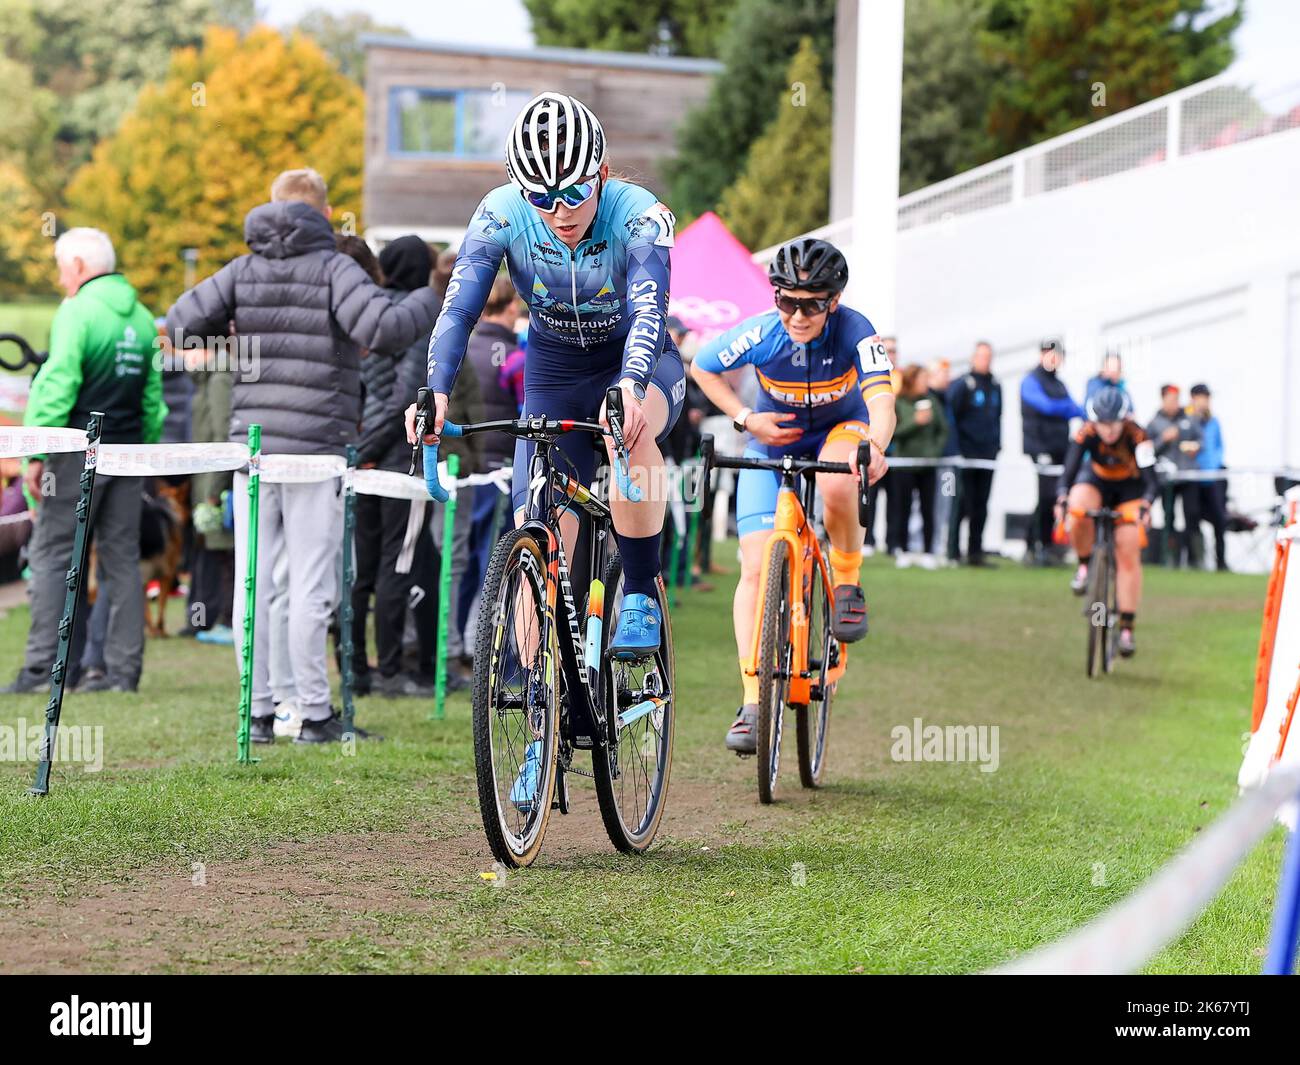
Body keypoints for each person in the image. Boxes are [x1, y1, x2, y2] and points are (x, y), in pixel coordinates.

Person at [410, 92, 684, 670]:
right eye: (542, 198)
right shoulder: (500, 212)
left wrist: (630, 384)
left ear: (602, 175)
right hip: (555, 370)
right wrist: (434, 391)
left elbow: (648, 309)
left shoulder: (640, 215)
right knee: (536, 531)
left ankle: (637, 590)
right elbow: (459, 310)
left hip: (637, 360)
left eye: (576, 192)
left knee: (632, 437)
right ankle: (541, 697)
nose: (560, 212)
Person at [167, 167, 439, 743]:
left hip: (254, 451)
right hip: (315, 451)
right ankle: (314, 713)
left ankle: (259, 713)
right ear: (323, 212)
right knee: (312, 584)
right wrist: (436, 296)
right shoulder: (334, 268)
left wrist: (237, 336)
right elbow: (385, 328)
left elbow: (180, 324)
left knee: (255, 583)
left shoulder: (242, 269)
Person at [690, 237, 894, 753]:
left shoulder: (856, 331)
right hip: (771, 439)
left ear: (834, 302)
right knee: (756, 570)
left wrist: (875, 445)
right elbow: (704, 367)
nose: (798, 315)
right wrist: (745, 417)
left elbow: (882, 401)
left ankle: (846, 579)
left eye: (812, 304)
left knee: (836, 480)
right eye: (787, 301)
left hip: (840, 430)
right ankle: (753, 699)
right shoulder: (761, 333)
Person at [4, 227, 165, 695]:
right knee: (122, 561)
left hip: (77, 454)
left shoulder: (77, 311)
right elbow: (153, 400)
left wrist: (36, 450)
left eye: (60, 268)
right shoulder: (140, 316)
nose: (59, 280)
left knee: (54, 554)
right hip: (128, 455)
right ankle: (120, 675)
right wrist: (144, 454)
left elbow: (56, 385)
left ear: (77, 266)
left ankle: (43, 672)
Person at [1056, 385, 1157, 657]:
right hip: (1097, 481)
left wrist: (1146, 506)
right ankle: (1084, 565)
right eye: (1102, 423)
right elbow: (1068, 472)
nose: (1109, 430)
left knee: (1128, 548)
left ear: (1124, 419)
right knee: (1078, 506)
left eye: (1113, 423)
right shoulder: (1086, 432)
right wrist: (1062, 499)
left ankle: (1126, 628)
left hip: (1130, 488)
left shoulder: (1138, 436)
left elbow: (1151, 481)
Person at [460, 273, 524, 657]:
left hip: (467, 468)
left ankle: (458, 644)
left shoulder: (463, 349)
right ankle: (495, 652)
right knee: (498, 562)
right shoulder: (518, 356)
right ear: (512, 307)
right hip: (502, 466)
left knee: (465, 560)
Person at [1020, 338, 1084, 565]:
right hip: (1041, 447)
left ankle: (1048, 546)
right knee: (1046, 496)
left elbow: (1078, 409)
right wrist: (1067, 408)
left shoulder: (1059, 384)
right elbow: (1045, 405)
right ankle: (1033, 545)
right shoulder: (1031, 380)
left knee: (1057, 496)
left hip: (1060, 448)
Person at [946, 341, 1002, 566]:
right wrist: (956, 450)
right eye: (980, 356)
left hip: (987, 456)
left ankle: (975, 551)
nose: (984, 360)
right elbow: (952, 419)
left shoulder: (996, 386)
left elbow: (998, 418)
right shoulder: (963, 385)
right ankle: (953, 551)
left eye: (988, 356)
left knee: (981, 505)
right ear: (973, 358)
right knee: (961, 504)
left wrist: (997, 446)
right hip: (966, 456)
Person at [889, 364, 947, 568]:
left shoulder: (932, 401)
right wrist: (915, 421)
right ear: (912, 380)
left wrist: (935, 452)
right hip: (904, 464)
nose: (925, 383)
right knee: (901, 508)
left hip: (927, 465)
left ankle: (929, 551)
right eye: (922, 379)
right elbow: (893, 431)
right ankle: (902, 550)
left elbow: (943, 430)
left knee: (928, 508)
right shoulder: (899, 402)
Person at [1146, 384, 1204, 568]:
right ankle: (1170, 558)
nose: (1174, 403)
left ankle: (1195, 560)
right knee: (1168, 517)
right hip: (1166, 479)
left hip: (1188, 476)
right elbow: (1148, 449)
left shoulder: (1189, 419)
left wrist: (1196, 447)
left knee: (1192, 516)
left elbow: (1201, 440)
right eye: (1171, 399)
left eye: (1177, 399)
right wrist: (1164, 439)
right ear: (1163, 399)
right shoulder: (1154, 423)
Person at [1190, 383, 1229, 571]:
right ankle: (1197, 561)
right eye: (1201, 397)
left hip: (1213, 478)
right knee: (1193, 518)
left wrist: (1215, 465)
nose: (1204, 401)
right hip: (1194, 477)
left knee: (1219, 520)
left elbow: (1219, 447)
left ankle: (1221, 561)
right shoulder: (1188, 420)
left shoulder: (1214, 422)